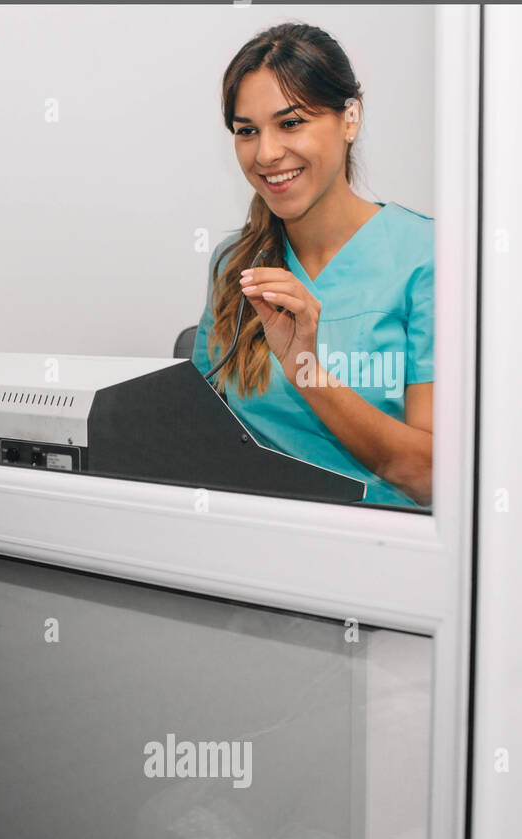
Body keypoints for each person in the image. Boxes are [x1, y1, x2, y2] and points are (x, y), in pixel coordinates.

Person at [191, 22, 434, 509]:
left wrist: (307, 370)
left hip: (379, 553)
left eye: (291, 122)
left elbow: (428, 476)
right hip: (243, 547)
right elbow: (197, 432)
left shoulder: (427, 257)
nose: (267, 153)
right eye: (247, 131)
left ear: (350, 119)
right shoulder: (236, 264)